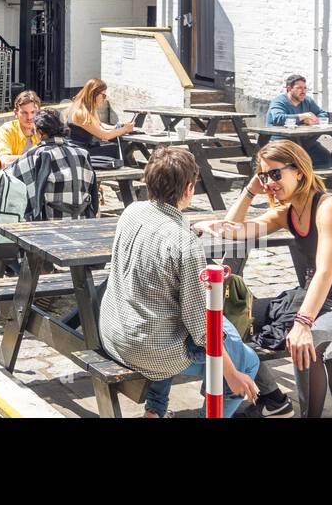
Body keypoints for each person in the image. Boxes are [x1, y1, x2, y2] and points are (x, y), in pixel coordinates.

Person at [196, 139, 332, 418]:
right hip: (307, 300)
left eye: (276, 174)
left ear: (299, 171)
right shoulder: (286, 212)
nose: (270, 182)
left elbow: (325, 273)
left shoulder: (328, 208)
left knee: (306, 342)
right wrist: (251, 190)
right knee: (235, 320)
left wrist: (302, 323)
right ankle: (273, 398)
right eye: (264, 176)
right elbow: (233, 231)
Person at [99, 145, 260, 418]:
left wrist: (196, 227)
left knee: (170, 312)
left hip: (114, 334)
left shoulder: (131, 212)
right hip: (152, 352)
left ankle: (155, 410)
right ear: (189, 189)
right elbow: (200, 328)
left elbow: (161, 225)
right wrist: (232, 374)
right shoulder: (184, 245)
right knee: (245, 360)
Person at [8, 108, 97, 219]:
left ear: (40, 132)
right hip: (82, 222)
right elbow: (94, 198)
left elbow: (10, 180)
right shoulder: (82, 154)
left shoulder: (35, 155)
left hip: (48, 226)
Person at [264, 73, 332, 170]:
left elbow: (322, 113)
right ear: (289, 89)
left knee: (324, 157)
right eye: (299, 88)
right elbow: (278, 118)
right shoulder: (279, 101)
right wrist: (303, 116)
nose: (303, 91)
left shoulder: (307, 101)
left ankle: (318, 184)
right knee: (298, 162)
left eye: (305, 88)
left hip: (304, 141)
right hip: (281, 143)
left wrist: (314, 120)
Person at [64, 79, 135, 160]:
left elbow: (99, 124)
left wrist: (118, 126)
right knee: (118, 149)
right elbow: (104, 135)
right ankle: (127, 171)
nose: (104, 99)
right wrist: (125, 129)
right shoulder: (81, 113)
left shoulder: (85, 108)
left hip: (82, 149)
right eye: (103, 95)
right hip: (79, 152)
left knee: (119, 147)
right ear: (94, 94)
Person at [0, 90, 41, 168]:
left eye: (33, 112)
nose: (29, 117)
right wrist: (36, 159)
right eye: (24, 113)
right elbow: (4, 160)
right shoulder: (7, 130)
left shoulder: (44, 130)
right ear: (15, 113)